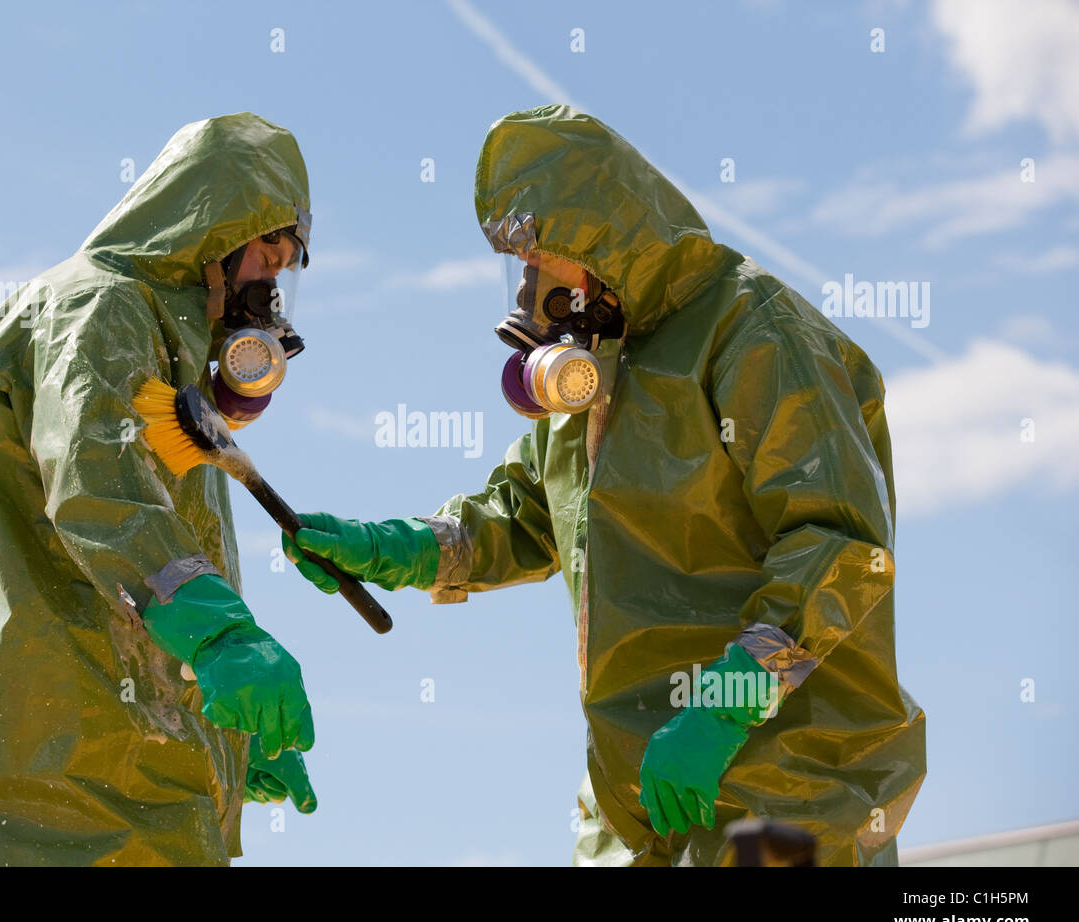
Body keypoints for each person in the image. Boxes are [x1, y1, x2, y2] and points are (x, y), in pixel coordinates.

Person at [283, 105, 926, 866]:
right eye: (514, 263)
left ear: (602, 238)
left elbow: (838, 542)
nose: (527, 290)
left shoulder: (755, 331)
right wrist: (389, 547)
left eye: (538, 256)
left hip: (787, 783)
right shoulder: (592, 376)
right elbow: (525, 517)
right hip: (633, 801)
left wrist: (722, 706)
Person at [0, 113, 319, 866]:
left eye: (286, 261)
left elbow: (148, 552)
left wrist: (229, 740)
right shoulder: (98, 306)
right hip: (71, 773)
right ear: (214, 228)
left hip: (128, 769)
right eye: (267, 250)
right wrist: (223, 638)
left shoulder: (154, 336)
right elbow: (100, 488)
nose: (272, 282)